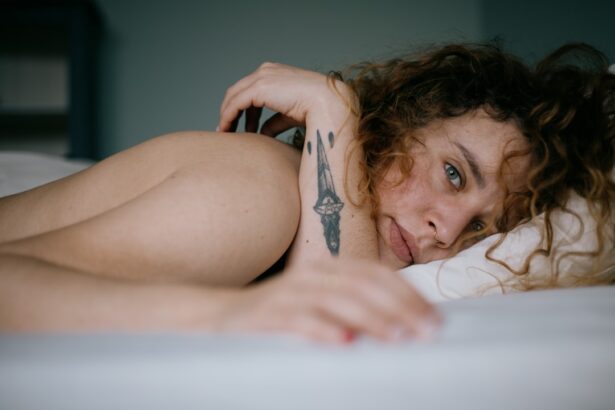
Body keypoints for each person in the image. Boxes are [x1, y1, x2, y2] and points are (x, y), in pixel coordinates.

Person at [0, 43, 613, 343]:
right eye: (454, 173)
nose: (447, 231)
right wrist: (225, 315)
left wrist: (333, 112)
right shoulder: (261, 192)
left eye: (481, 227)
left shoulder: (302, 228)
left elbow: (332, 294)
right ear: (402, 121)